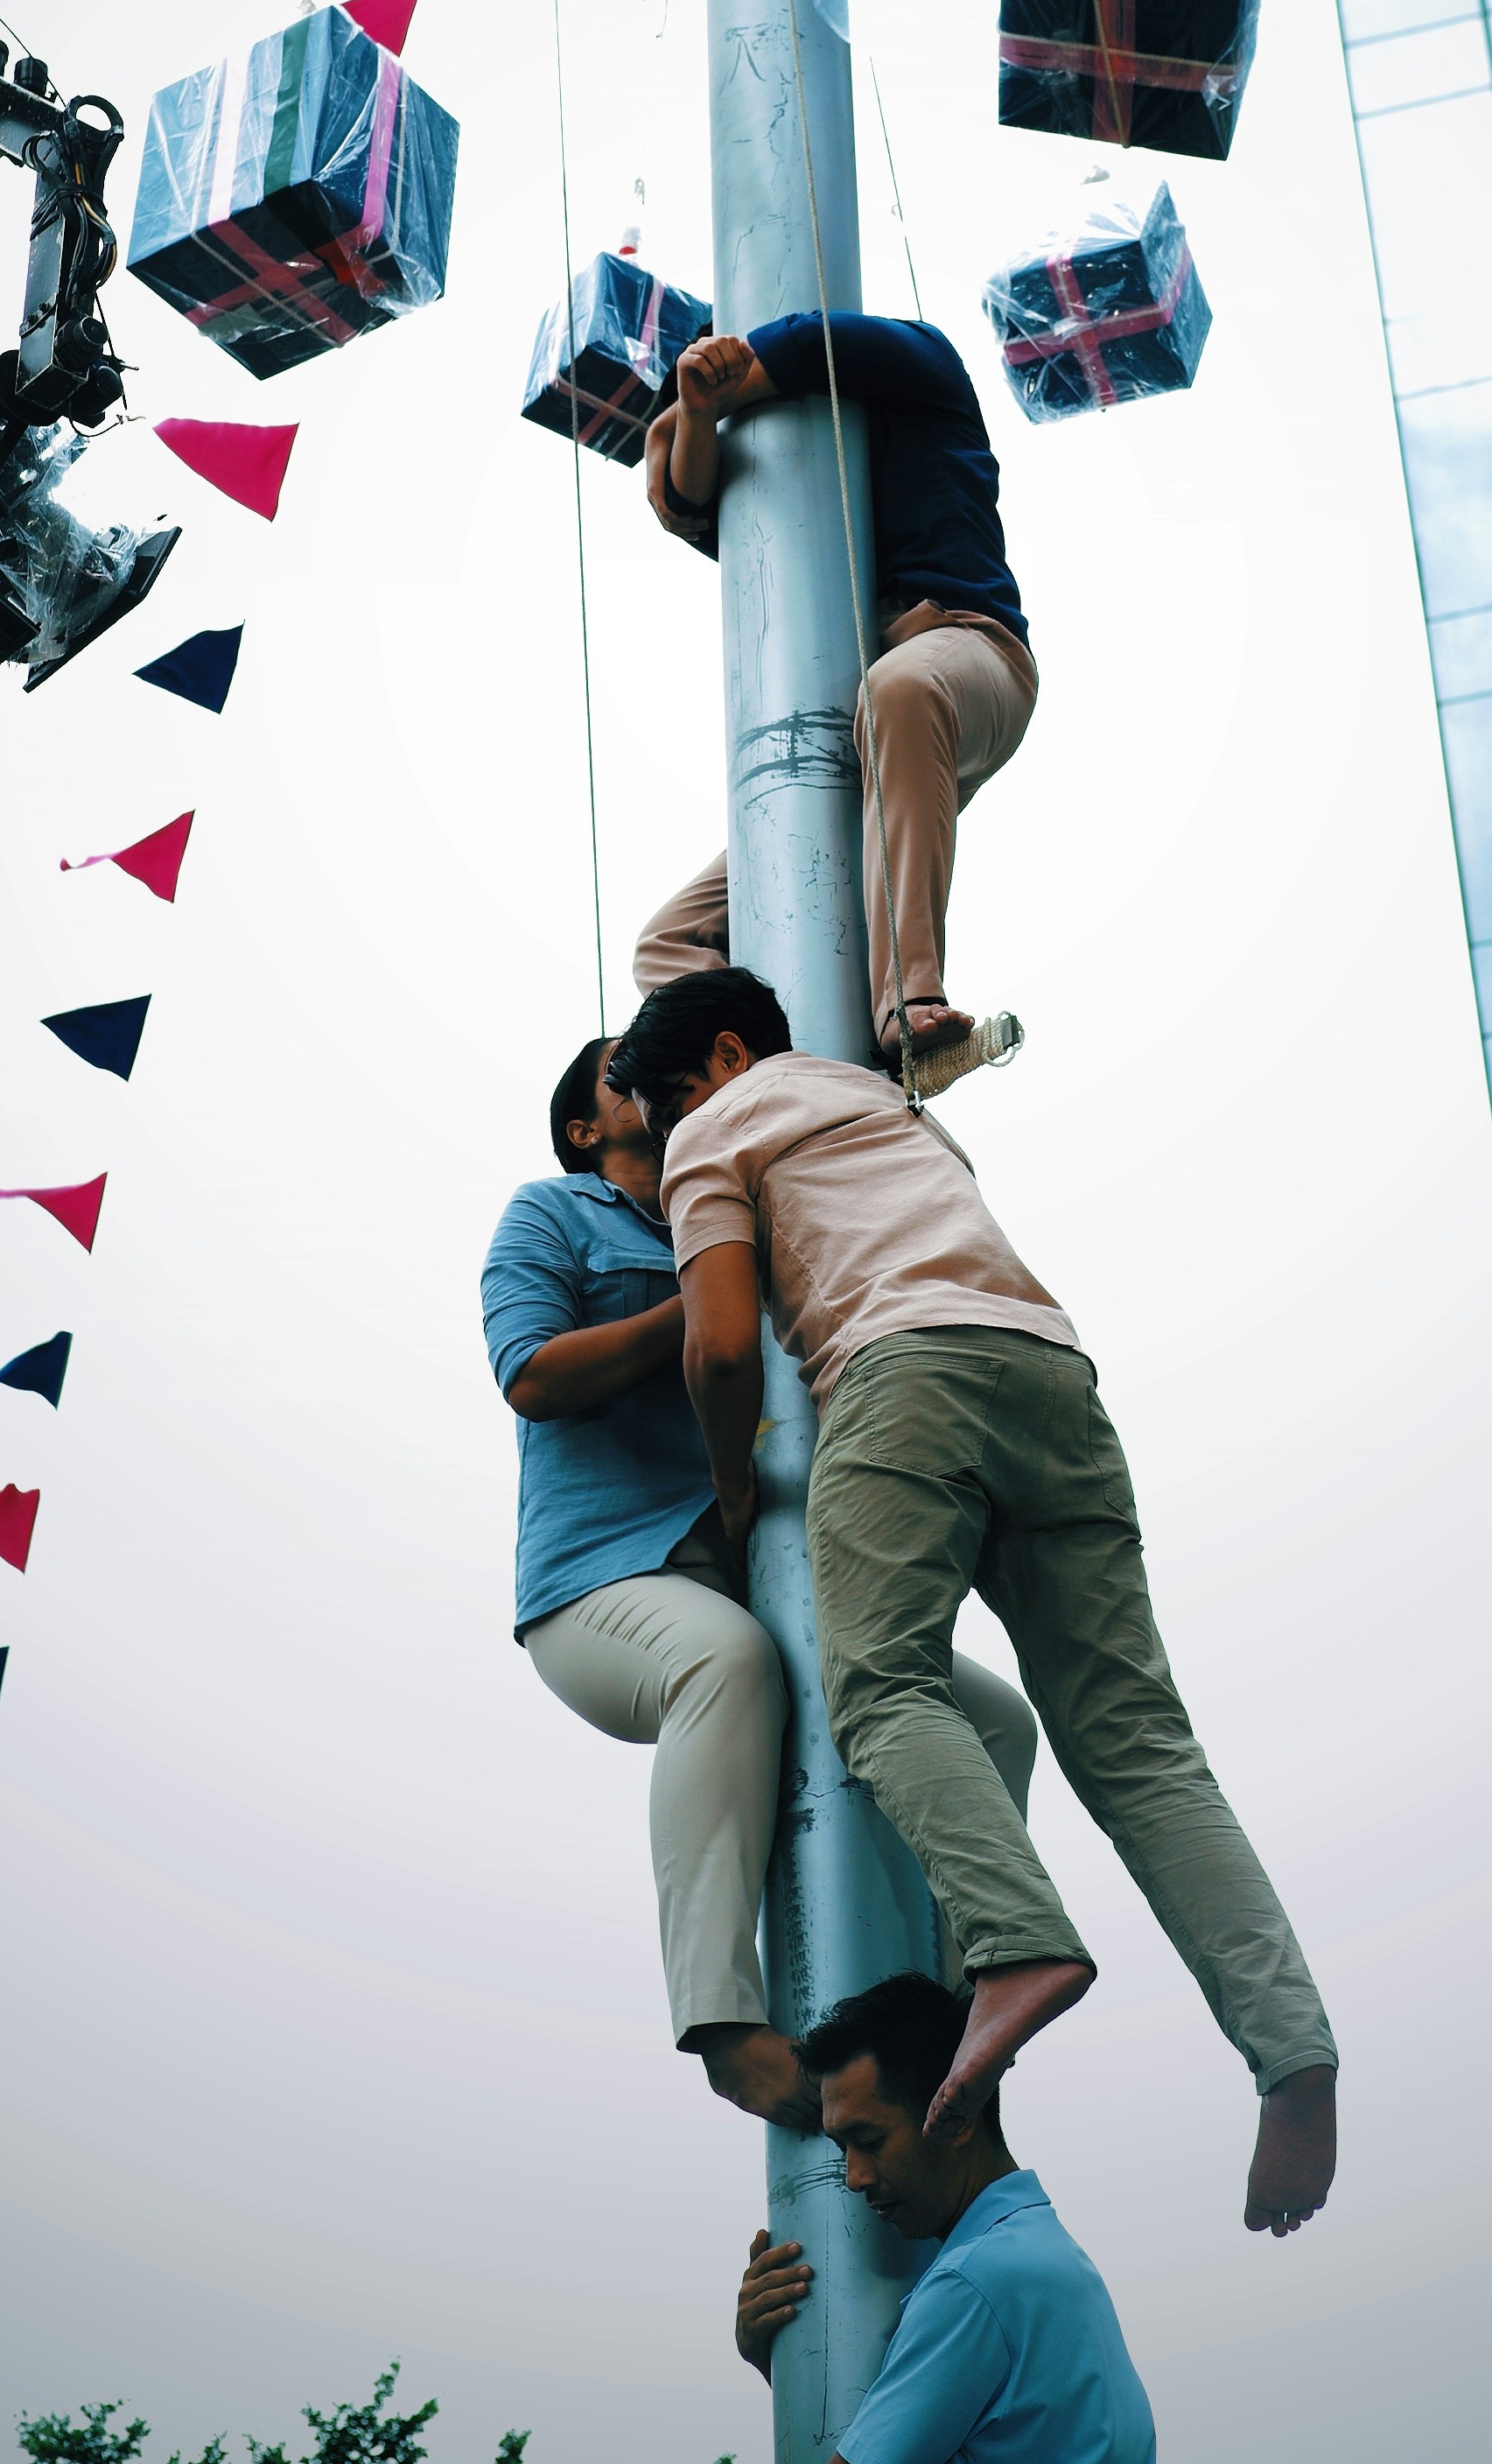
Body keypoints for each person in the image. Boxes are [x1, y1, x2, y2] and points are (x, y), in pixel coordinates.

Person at [611, 965, 1340, 2235]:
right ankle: (1291, 2049)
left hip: (899, 1377)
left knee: (880, 1689)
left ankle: (1015, 1946)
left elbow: (722, 1345)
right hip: (1049, 1368)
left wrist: (733, 1486)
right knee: (1143, 1752)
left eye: (668, 1099)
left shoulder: (716, 1131)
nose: (667, 1132)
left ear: (724, 1056)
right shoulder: (882, 1106)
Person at [480, 1033, 1038, 2131]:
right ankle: (724, 2023)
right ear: (585, 1128)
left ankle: (967, 1999)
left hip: (765, 1590)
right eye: (615, 1072)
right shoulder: (551, 1214)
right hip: (603, 1586)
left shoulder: (742, 1208)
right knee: (719, 1663)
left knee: (994, 1721)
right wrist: (702, 1308)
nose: (648, 1073)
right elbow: (531, 1373)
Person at [639, 314, 1033, 1097]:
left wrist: (703, 403)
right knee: (669, 943)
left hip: (967, 655)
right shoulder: (776, 490)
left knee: (902, 687)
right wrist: (690, 408)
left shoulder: (910, 356)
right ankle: (791, 1087)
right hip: (856, 739)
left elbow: (784, 352)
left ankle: (910, 1005)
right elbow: (677, 493)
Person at [733, 1969, 1155, 2464]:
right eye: (842, 2149)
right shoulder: (1040, 2251)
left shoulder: (974, 2281)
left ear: (956, 2118)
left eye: (870, 2142)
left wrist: (769, 2358)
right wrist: (781, 2364)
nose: (853, 2178)